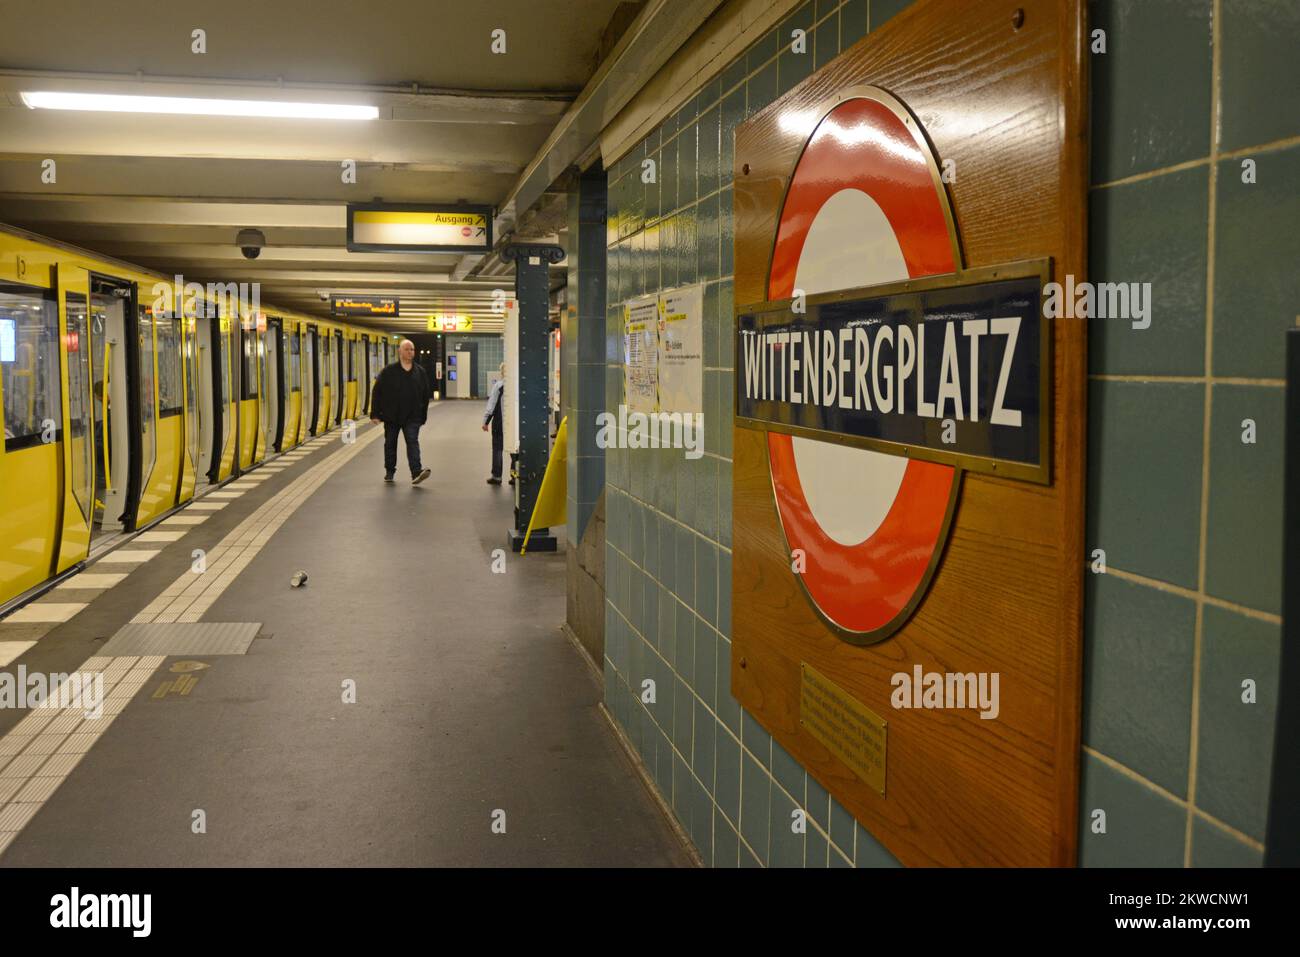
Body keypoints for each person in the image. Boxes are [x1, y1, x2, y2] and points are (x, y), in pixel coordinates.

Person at [369, 339, 431, 485]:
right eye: (407, 349)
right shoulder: (388, 371)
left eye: (412, 350)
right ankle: (389, 471)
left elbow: (425, 395)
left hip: (412, 416)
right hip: (392, 415)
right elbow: (377, 392)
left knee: (412, 442)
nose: (410, 352)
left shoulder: (420, 372)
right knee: (390, 443)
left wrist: (423, 416)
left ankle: (416, 472)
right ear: (400, 351)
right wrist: (375, 413)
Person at [482, 362, 505, 485]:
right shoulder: (517, 386)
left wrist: (486, 422)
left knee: (497, 449)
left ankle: (497, 476)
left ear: (502, 372)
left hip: (499, 423)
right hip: (513, 424)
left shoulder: (499, 386)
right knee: (515, 450)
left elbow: (492, 405)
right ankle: (514, 476)